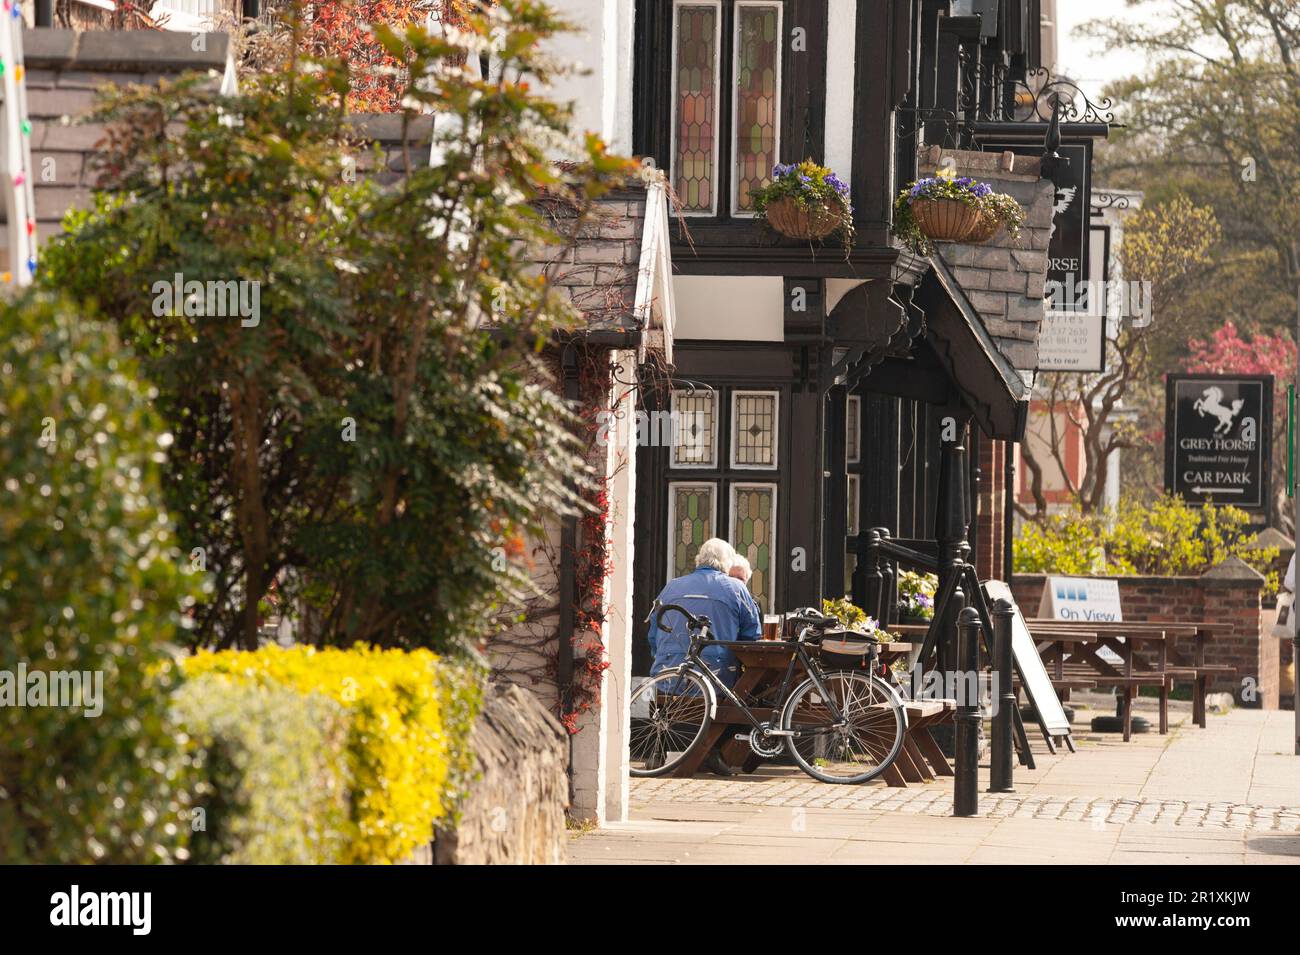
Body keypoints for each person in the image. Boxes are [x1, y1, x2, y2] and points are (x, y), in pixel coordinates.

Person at [648, 539, 761, 776]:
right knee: (748, 696)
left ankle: (657, 749)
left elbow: (652, 636)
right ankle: (712, 751)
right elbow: (753, 637)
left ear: (699, 559)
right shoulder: (736, 588)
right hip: (715, 680)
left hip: (667, 677)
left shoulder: (671, 587)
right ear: (726, 563)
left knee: (660, 683)